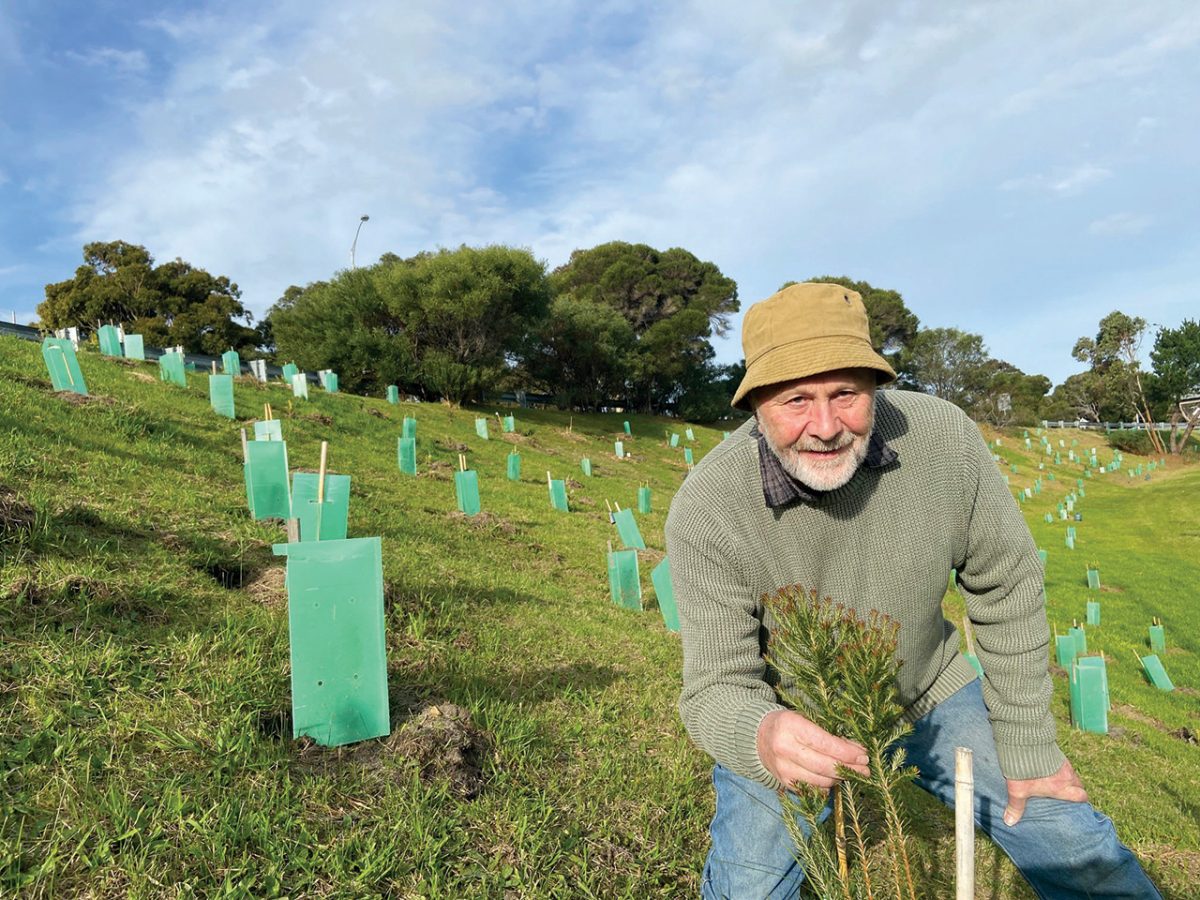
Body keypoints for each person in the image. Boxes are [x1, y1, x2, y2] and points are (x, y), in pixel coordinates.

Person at [665, 282, 1161, 899]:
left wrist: (1029, 745)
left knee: (1074, 845)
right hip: (794, 713)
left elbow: (1006, 585)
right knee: (750, 891)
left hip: (929, 689)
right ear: (756, 405)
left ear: (875, 385)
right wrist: (760, 735)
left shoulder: (943, 441)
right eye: (796, 400)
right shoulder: (709, 508)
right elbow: (714, 687)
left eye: (846, 394)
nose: (826, 427)